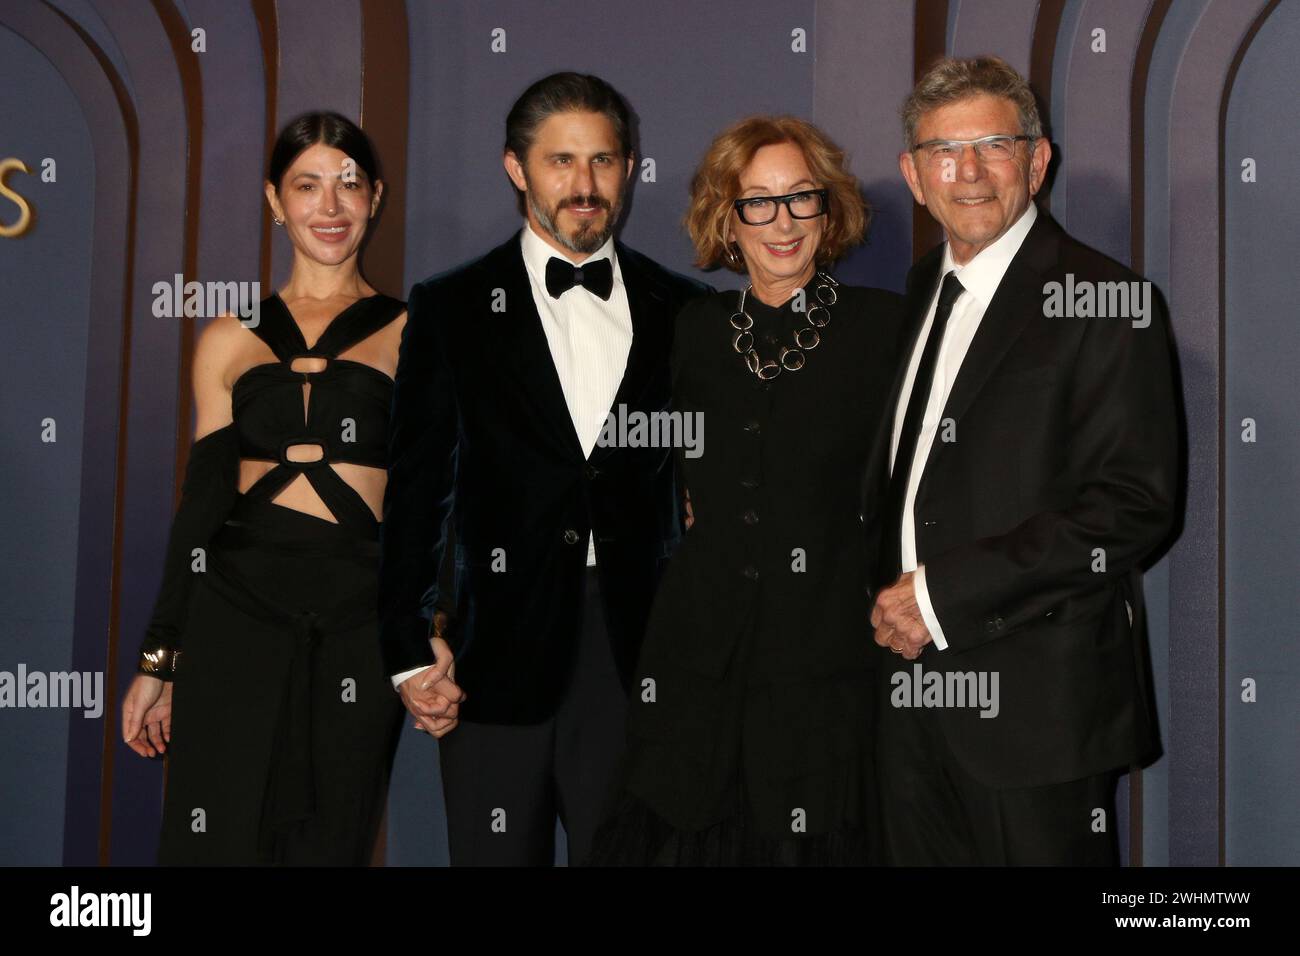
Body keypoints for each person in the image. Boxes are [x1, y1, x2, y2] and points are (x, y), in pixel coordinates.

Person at [380, 72, 710, 866]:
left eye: (602, 161)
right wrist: (409, 646)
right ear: (516, 168)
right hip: (493, 652)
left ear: (630, 169)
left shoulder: (688, 310)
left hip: (638, 655)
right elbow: (419, 489)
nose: (584, 184)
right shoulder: (451, 307)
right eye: (560, 161)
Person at [867, 55, 1179, 865]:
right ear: (913, 173)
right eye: (943, 152)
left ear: (1037, 162)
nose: (967, 173)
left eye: (994, 146)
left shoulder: (1108, 301)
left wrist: (940, 593)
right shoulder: (914, 295)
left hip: (1038, 716)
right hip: (907, 705)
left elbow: (1132, 507)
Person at [586, 116, 906, 865]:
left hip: (825, 661)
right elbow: (624, 459)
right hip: (698, 657)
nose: (782, 222)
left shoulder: (884, 327)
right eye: (757, 202)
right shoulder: (691, 329)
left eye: (801, 198)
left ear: (830, 212)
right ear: (727, 220)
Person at [120, 112, 413, 865]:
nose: (330, 206)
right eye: (307, 186)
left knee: (330, 844)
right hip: (236, 610)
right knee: (213, 838)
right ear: (275, 202)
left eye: (348, 185)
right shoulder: (228, 336)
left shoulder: (417, 334)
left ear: (375, 198)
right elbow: (202, 507)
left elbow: (433, 506)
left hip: (356, 620)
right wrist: (161, 661)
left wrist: (431, 625)